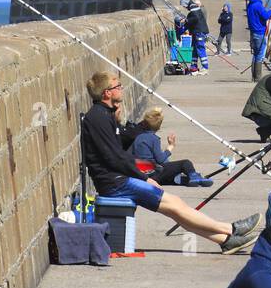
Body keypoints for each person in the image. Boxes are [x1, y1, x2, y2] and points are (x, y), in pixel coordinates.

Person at [81, 71, 260, 253]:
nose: (121, 88)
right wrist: (144, 178)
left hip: (118, 179)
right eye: (117, 86)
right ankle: (231, 229)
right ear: (107, 93)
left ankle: (225, 241)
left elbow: (119, 151)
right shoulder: (98, 118)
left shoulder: (104, 115)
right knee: (175, 204)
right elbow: (115, 157)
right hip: (116, 183)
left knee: (175, 208)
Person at [128, 107, 213, 189]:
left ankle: (185, 179)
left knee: (169, 175)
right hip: (153, 173)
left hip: (142, 175)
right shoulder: (154, 139)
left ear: (144, 123)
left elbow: (130, 154)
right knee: (185, 163)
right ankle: (193, 176)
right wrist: (170, 147)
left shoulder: (137, 138)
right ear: (159, 127)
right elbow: (160, 159)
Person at [245, 0, 271, 79]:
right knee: (259, 55)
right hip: (259, 33)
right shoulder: (258, 5)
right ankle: (258, 78)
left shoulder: (250, 5)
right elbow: (266, 15)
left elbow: (259, 17)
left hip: (253, 32)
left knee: (255, 54)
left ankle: (254, 76)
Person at [185, 0, 210, 72]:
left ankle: (205, 67)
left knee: (200, 48)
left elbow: (195, 19)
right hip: (195, 32)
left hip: (199, 32)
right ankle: (193, 66)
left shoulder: (197, 10)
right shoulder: (193, 11)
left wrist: (187, 20)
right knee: (194, 50)